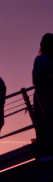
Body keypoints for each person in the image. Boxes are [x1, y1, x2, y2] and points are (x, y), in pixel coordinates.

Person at [32, 33, 53, 161]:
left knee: (42, 123)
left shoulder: (40, 59)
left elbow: (36, 80)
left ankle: (47, 152)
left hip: (43, 94)